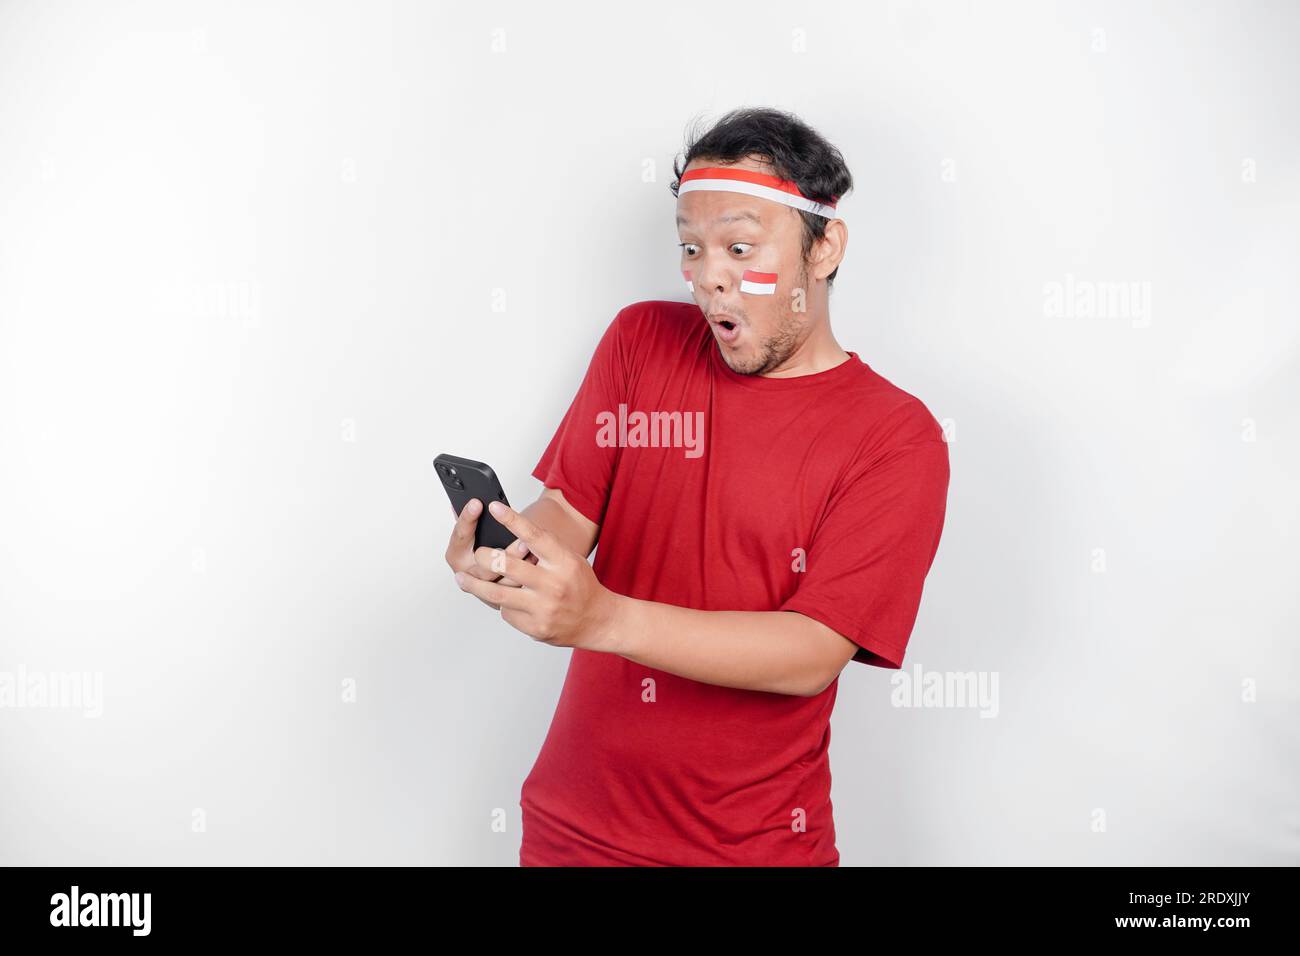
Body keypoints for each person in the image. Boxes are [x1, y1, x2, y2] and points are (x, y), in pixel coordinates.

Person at [445, 107, 950, 866]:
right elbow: (569, 515)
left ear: (825, 247)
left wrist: (603, 619)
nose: (708, 277)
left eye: (741, 247)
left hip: (749, 852)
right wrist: (513, 552)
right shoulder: (639, 342)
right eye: (692, 247)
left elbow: (811, 650)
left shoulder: (896, 437)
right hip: (570, 834)